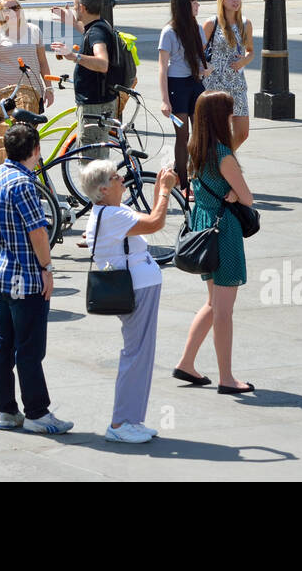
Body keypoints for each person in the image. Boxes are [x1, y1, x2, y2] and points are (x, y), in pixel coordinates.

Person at [82, 158, 179, 443]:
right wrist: (164, 190)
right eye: (115, 177)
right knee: (137, 355)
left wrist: (161, 187)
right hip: (136, 288)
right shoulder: (111, 215)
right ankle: (121, 422)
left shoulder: (112, 211)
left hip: (138, 285)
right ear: (102, 189)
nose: (121, 179)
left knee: (140, 355)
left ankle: (131, 419)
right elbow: (155, 223)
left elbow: (146, 220)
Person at [0, 121, 72, 434]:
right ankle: (37, 412)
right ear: (35, 150)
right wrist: (47, 269)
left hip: (2, 273)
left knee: (3, 346)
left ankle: (6, 410)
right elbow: (38, 233)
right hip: (26, 277)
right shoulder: (24, 184)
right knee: (30, 350)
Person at [173, 90, 256, 394]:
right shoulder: (223, 154)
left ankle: (186, 363)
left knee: (212, 303)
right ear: (221, 118)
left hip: (204, 224)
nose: (233, 117)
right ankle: (226, 377)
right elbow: (248, 198)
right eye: (230, 113)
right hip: (225, 232)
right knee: (224, 310)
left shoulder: (197, 148)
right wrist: (237, 194)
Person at [50, 0, 119, 166]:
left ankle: (96, 194)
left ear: (82, 7)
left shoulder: (96, 31)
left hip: (94, 106)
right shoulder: (100, 26)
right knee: (98, 159)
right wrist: (70, 22)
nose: (74, 9)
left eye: (75, 6)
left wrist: (73, 56)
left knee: (91, 164)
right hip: (100, 101)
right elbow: (87, 32)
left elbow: (102, 63)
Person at [158, 0, 209, 196]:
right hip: (176, 86)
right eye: (194, 3)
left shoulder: (196, 28)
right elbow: (162, 66)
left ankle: (199, 177)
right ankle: (184, 184)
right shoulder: (169, 31)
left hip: (195, 83)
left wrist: (204, 69)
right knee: (183, 134)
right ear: (183, 6)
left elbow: (200, 55)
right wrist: (164, 100)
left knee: (201, 133)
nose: (198, 6)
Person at [202, 0, 254, 150]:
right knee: (218, 132)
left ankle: (221, 160)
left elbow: (250, 51)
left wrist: (244, 61)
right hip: (216, 83)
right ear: (222, 0)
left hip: (237, 82)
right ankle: (217, 164)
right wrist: (205, 68)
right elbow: (197, 52)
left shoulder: (245, 23)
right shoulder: (211, 23)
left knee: (243, 132)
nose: (235, 0)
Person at [0, 0, 55, 111]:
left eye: (15, 8)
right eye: (7, 9)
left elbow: (42, 62)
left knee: (29, 128)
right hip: (5, 94)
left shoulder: (34, 30)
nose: (12, 12)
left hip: (33, 93)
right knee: (6, 128)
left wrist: (49, 88)